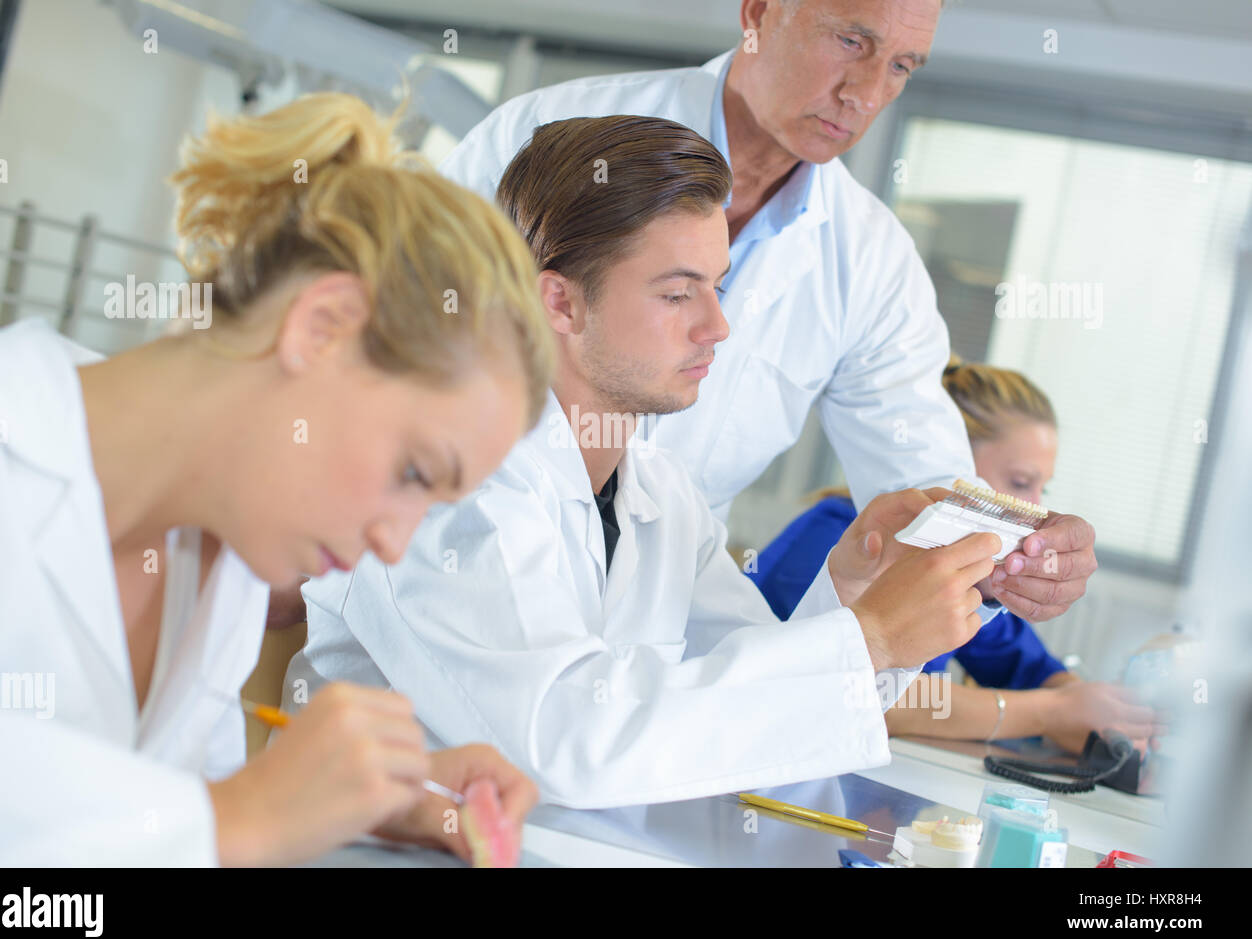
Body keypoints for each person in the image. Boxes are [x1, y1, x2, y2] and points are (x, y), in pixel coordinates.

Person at [288, 115, 1001, 809]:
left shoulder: (658, 491)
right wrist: (867, 638)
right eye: (676, 293)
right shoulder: (450, 478)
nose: (717, 326)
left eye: (716, 287)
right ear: (560, 302)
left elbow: (741, 700)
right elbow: (570, 740)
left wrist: (853, 597)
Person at [0, 93, 550, 865]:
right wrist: (244, 818)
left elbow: (142, 810)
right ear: (322, 327)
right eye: (413, 471)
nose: (394, 545)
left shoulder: (223, 560)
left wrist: (365, 802)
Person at [438, 0, 1099, 625]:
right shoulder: (547, 142)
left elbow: (919, 482)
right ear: (757, 12)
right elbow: (404, 343)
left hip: (658, 609)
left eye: (900, 65)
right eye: (850, 40)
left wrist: (1005, 556)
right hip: (465, 558)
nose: (865, 94)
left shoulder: (870, 261)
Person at [748, 356, 1160, 753]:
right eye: (1019, 483)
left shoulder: (970, 569)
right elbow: (861, 694)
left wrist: (1110, 715)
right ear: (950, 459)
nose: (1035, 510)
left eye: (1042, 491)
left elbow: (1032, 670)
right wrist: (1048, 714)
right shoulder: (840, 537)